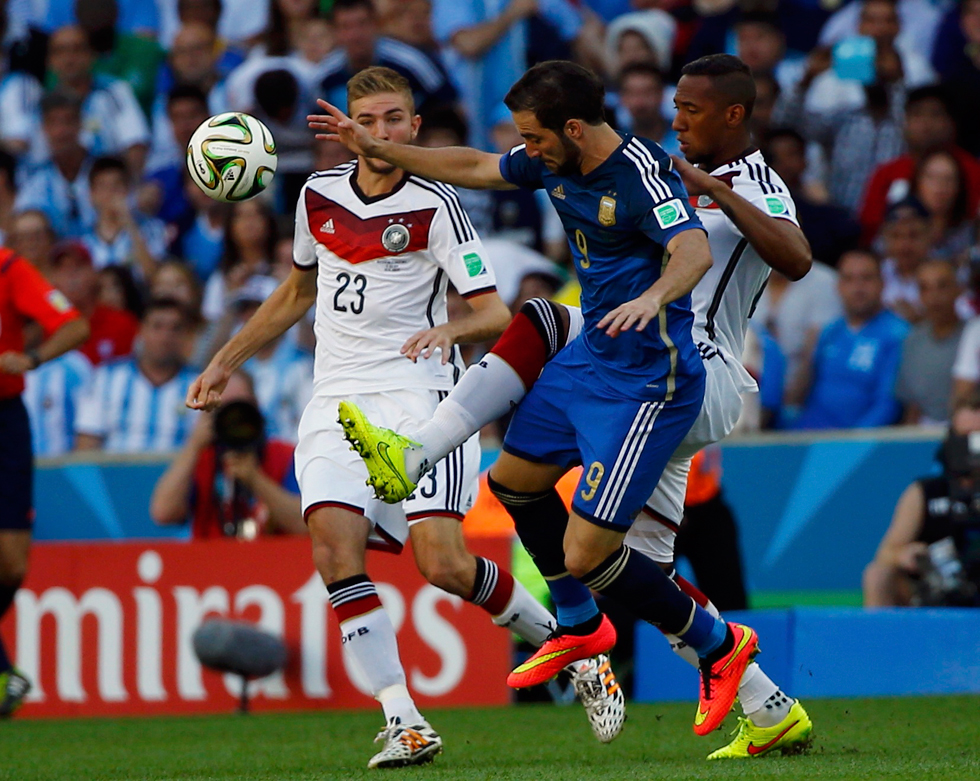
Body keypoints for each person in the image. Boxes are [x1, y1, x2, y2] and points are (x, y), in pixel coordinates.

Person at [314, 54, 813, 760]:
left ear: (734, 114)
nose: (676, 118)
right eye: (674, 104)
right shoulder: (621, 163)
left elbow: (791, 255)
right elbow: (486, 165)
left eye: (691, 110)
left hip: (694, 365)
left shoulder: (742, 182)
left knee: (593, 528)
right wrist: (382, 149)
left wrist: (709, 196)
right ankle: (768, 705)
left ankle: (421, 455)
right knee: (629, 564)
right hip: (623, 349)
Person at [189, 67, 623, 768]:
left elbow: (491, 311)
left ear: (414, 128)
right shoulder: (317, 195)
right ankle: (404, 719)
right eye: (370, 119)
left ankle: (578, 646)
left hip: (421, 400)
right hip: (334, 399)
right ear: (348, 125)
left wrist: (448, 333)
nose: (382, 132)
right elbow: (298, 289)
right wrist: (225, 361)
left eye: (395, 119)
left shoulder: (437, 203)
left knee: (444, 566)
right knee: (334, 551)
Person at [0, 245, 90, 715]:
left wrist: (31, 359)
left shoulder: (7, 268)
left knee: (12, 565)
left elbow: (75, 326)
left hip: (5, 421)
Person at [151, 369, 306, 538]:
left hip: (273, 560)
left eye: (240, 408)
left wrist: (255, 479)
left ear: (256, 408)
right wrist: (194, 444)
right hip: (211, 560)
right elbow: (162, 512)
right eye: (223, 410)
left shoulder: (284, 456)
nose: (234, 419)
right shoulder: (202, 459)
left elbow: (304, 524)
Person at [864, 395, 980, 606]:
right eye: (963, 437)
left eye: (978, 437)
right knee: (877, 575)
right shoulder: (925, 493)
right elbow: (886, 553)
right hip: (938, 587)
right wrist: (905, 554)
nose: (971, 447)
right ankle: (876, 639)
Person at [793, 249, 909, 430]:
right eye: (849, 279)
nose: (858, 287)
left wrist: (851, 443)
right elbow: (808, 393)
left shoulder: (898, 334)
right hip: (810, 436)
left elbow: (888, 405)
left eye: (866, 278)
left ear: (882, 283)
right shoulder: (830, 331)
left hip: (858, 444)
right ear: (838, 286)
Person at [858, 86, 980, 245]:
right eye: (917, 114)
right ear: (905, 122)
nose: (926, 123)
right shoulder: (886, 172)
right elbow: (869, 228)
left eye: (935, 115)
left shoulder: (971, 170)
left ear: (951, 122)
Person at [75, 297, 198, 452]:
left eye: (176, 328)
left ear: (187, 335)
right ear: (141, 331)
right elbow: (86, 444)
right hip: (115, 475)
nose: (165, 337)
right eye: (157, 327)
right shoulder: (106, 378)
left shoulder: (200, 386)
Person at [317, 0, 457, 118]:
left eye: (362, 24)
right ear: (334, 32)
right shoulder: (326, 75)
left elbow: (452, 106)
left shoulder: (410, 62)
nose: (355, 35)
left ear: (376, 25)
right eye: (345, 27)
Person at [13, 91, 96, 239]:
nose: (61, 131)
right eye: (53, 122)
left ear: (80, 124)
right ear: (44, 128)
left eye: (68, 121)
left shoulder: (103, 169)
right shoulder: (35, 179)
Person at [46, 241, 139, 366]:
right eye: (63, 269)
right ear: (53, 279)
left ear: (94, 274)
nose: (71, 276)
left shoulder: (122, 323)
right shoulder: (44, 328)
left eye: (78, 267)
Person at [896, 259, 963, 425]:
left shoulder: (974, 336)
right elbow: (912, 407)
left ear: (958, 289)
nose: (934, 296)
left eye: (942, 286)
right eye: (924, 288)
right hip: (924, 435)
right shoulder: (911, 341)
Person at [80, 156, 167, 280]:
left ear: (128, 189)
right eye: (103, 187)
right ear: (92, 195)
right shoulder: (82, 239)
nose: (111, 192)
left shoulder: (153, 229)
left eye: (117, 185)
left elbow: (153, 276)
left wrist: (129, 223)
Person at [880, 199, 932, 322]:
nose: (905, 245)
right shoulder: (874, 275)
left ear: (929, 236)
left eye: (913, 236)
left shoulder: (945, 277)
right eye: (896, 236)